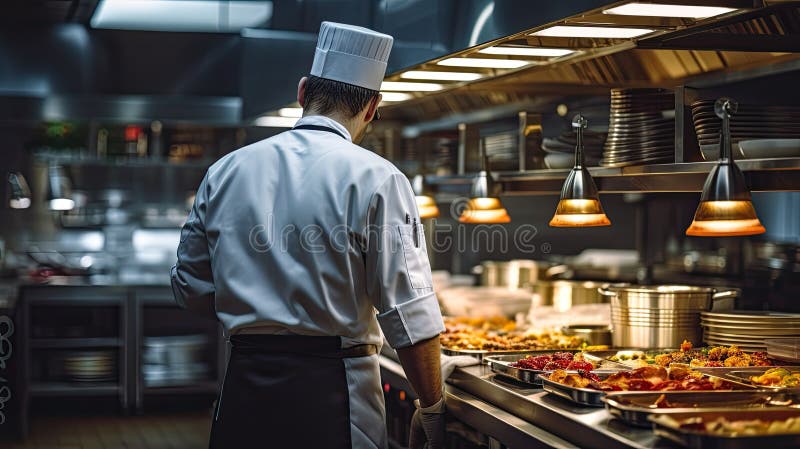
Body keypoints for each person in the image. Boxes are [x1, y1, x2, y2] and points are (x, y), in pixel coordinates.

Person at [171, 21, 445, 449]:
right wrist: (431, 407)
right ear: (372, 107)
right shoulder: (379, 178)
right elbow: (409, 314)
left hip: (246, 387)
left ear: (302, 93)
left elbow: (189, 286)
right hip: (336, 394)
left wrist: (260, 310)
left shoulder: (225, 170)